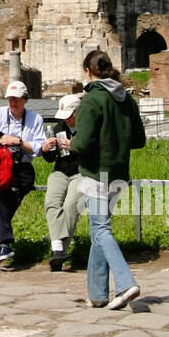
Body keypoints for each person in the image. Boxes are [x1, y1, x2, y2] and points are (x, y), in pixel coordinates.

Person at [68, 50, 145, 309]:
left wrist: (70, 143)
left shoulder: (92, 100)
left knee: (101, 230)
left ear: (88, 71)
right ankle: (98, 294)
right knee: (98, 232)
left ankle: (125, 283)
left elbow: (84, 142)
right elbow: (139, 140)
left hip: (96, 173)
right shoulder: (127, 99)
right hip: (119, 173)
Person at [0, 80, 45, 267]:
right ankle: (3, 245)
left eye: (17, 99)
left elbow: (38, 148)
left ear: (25, 100)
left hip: (21, 169)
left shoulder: (35, 119)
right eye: (10, 99)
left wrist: (18, 142)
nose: (13, 103)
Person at [40, 92, 82, 271]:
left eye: (70, 116)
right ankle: (58, 251)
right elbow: (51, 159)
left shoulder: (89, 128)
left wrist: (76, 146)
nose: (67, 120)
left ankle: (59, 251)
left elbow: (96, 152)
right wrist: (46, 150)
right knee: (52, 203)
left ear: (78, 113)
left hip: (82, 172)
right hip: (61, 170)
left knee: (71, 206)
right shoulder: (59, 127)